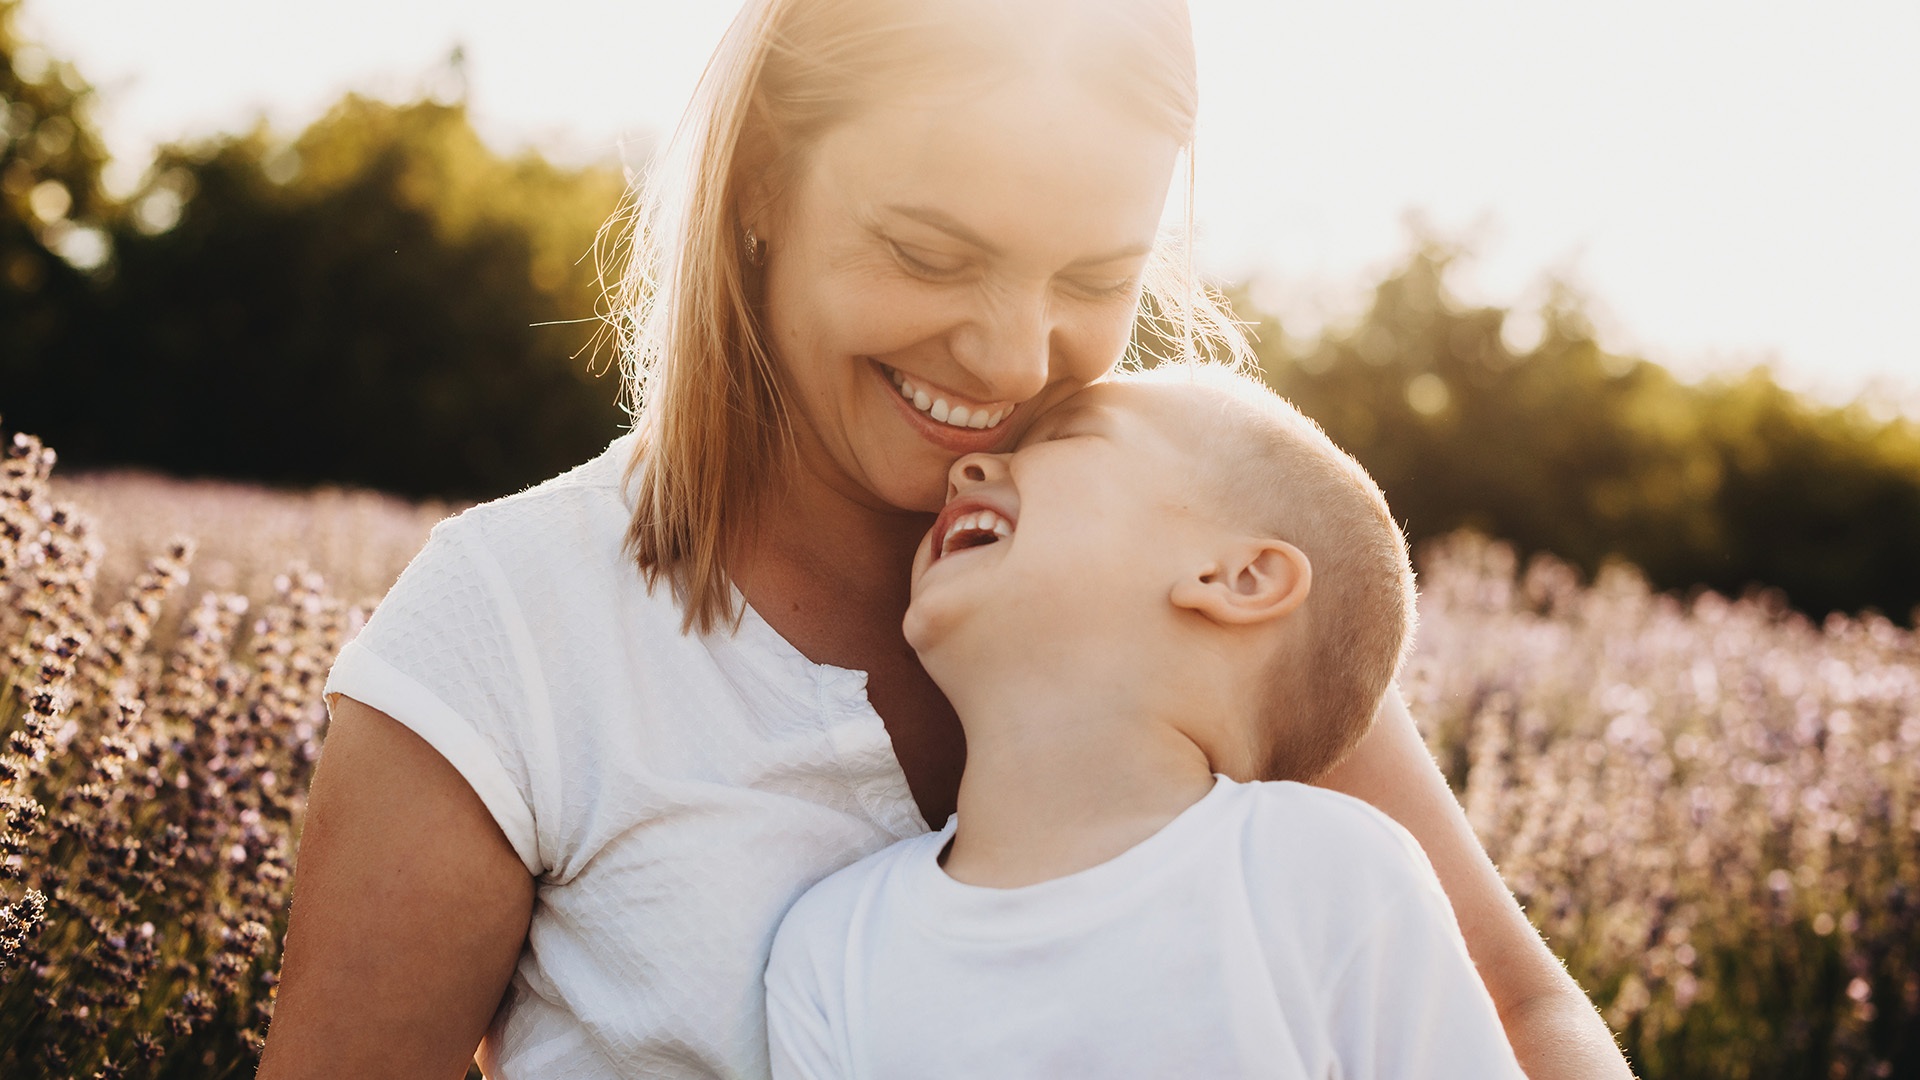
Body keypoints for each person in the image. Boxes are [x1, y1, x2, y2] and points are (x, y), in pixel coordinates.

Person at [257, 1, 1633, 1078]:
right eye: (929, 252)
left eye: (1097, 276)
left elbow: (1513, 1011)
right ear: (760, 183)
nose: (1014, 356)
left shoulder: (1202, 586)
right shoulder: (510, 633)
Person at [764, 366, 1526, 1079]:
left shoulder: (1330, 872)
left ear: (1238, 578)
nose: (967, 469)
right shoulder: (831, 950)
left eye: (1067, 435)